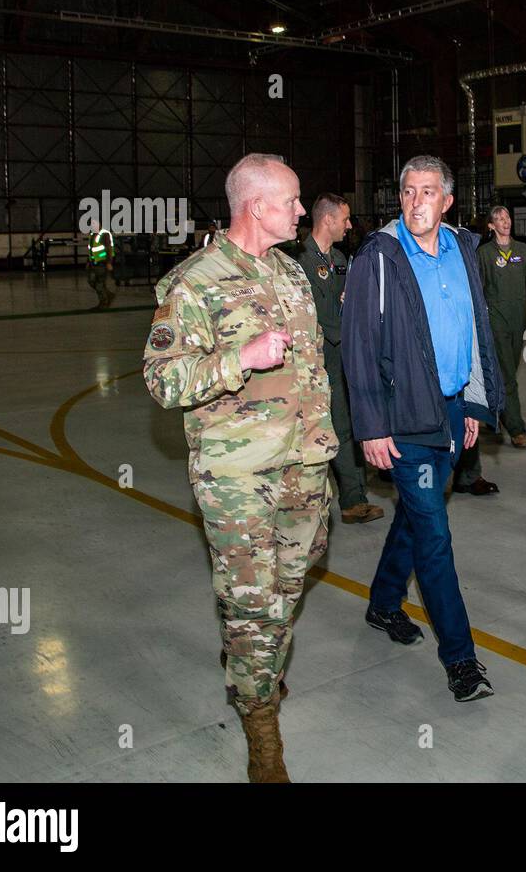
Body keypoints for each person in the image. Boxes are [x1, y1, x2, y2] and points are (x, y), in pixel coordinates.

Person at [143, 153, 336, 782]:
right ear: (256, 206)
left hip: (304, 466)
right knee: (256, 607)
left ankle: (255, 658)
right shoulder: (194, 282)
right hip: (238, 477)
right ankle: (261, 727)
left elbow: (311, 371)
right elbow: (163, 379)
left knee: (288, 584)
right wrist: (238, 359)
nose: (302, 211)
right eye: (293, 200)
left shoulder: (291, 274)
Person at [341, 155, 504, 703]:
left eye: (427, 192)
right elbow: (359, 350)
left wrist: (475, 404)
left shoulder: (462, 248)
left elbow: (476, 326)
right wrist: (371, 427)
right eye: (408, 191)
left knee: (416, 516)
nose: (415, 202)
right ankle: (460, 659)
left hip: (453, 412)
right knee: (436, 535)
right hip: (403, 419)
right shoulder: (379, 257)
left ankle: (386, 603)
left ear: (447, 200)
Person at [451, 205, 526, 496]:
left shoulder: (523, 250)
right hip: (495, 322)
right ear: (491, 226)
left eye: (507, 218)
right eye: (500, 219)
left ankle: (496, 414)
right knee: (507, 374)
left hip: (518, 320)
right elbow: (476, 287)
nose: (506, 222)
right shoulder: (484, 254)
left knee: (509, 371)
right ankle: (516, 427)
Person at [302, 192, 383, 525]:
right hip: (315, 360)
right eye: (345, 219)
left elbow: (342, 302)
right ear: (328, 219)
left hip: (339, 357)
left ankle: (353, 495)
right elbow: (314, 315)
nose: (350, 226)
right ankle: (350, 498)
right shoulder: (298, 260)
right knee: (332, 429)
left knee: (346, 424)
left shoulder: (337, 257)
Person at [87, 227, 115, 308]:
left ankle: (104, 303)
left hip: (102, 263)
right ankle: (108, 295)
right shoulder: (92, 235)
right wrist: (88, 261)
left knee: (99, 284)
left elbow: (109, 249)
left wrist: (109, 263)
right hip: (93, 263)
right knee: (92, 281)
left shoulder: (104, 234)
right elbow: (91, 250)